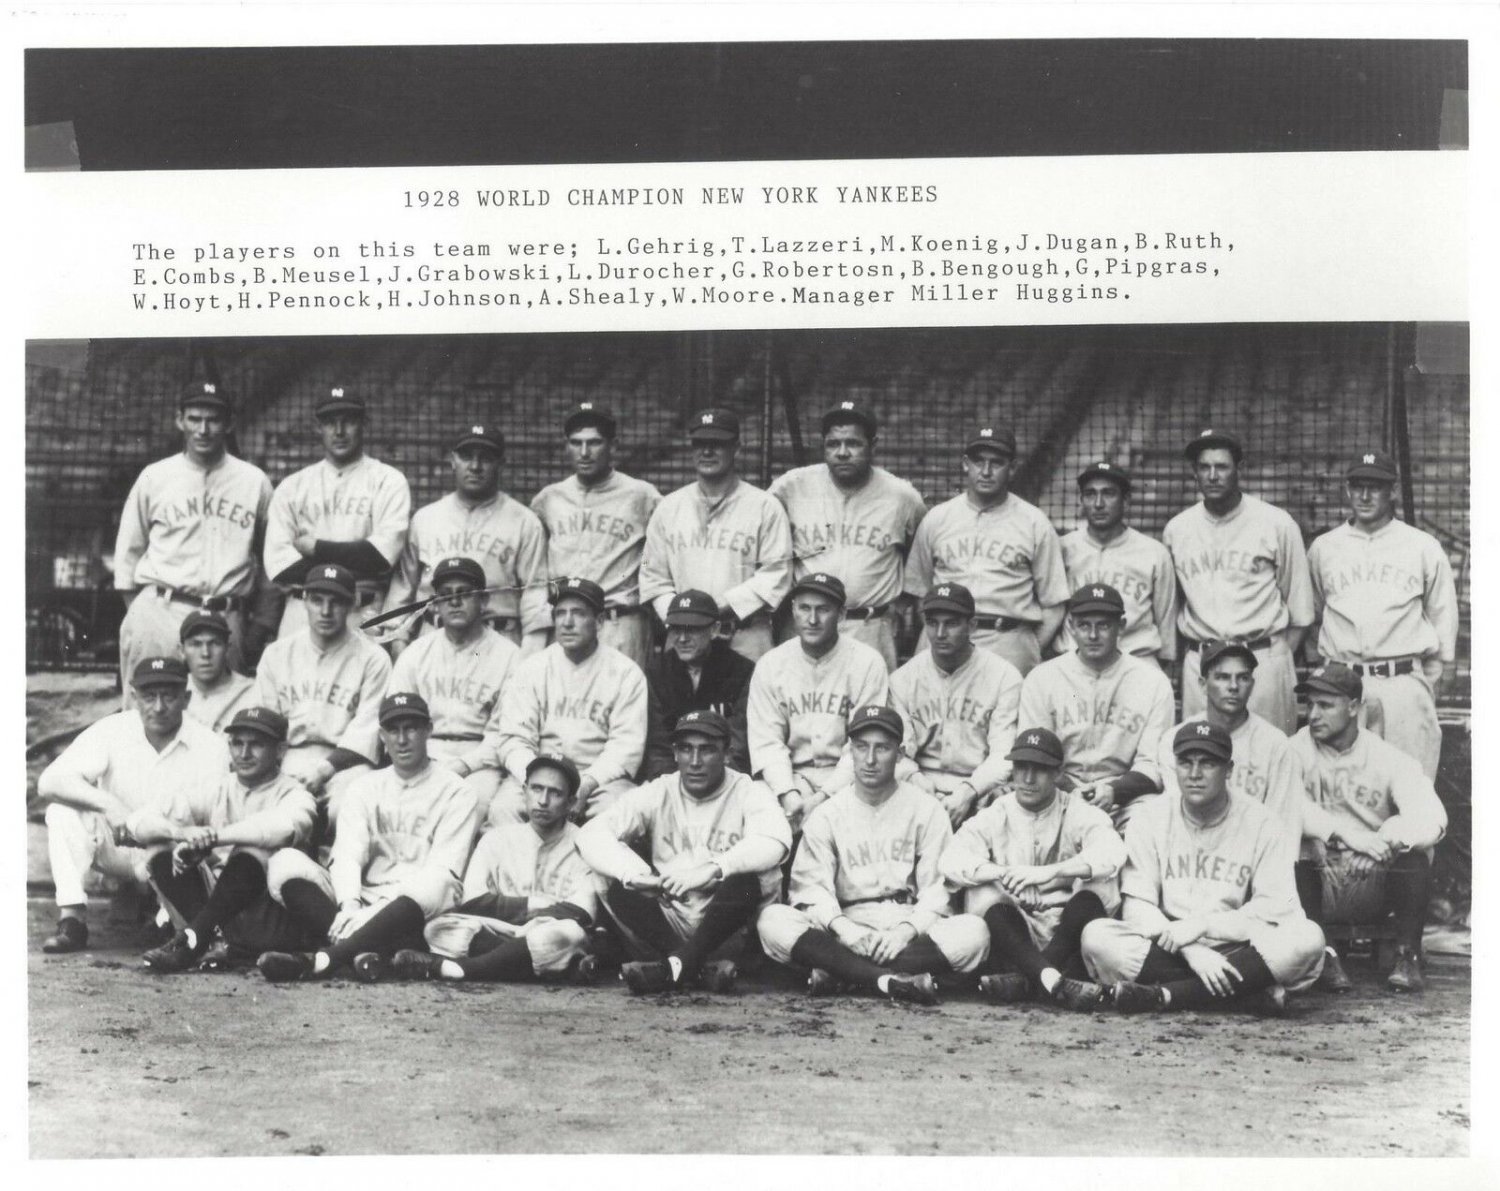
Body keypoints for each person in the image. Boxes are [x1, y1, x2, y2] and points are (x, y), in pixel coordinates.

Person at [1080, 721, 1326, 1014]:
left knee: (1308, 939)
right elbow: (1137, 906)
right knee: (1097, 937)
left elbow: (1272, 910)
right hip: (1171, 948)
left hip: (1239, 949)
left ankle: (1164, 996)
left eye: (1207, 764)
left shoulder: (1263, 823)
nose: (1194, 774)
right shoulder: (1150, 817)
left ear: (1229, 770)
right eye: (1185, 763)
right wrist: (1191, 950)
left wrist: (1205, 926)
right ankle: (1247, 997)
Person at [755, 705, 988, 1006]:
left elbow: (937, 891)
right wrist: (845, 930)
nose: (870, 759)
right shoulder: (827, 814)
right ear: (849, 752)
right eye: (861, 748)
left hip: (906, 929)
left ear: (901, 754)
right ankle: (892, 980)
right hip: (845, 928)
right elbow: (812, 890)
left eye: (882, 748)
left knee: (974, 933)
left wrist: (905, 932)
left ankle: (845, 974)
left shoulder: (927, 809)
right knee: (773, 921)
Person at [254, 693, 480, 982]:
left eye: (411, 728)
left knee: (438, 881)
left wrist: (369, 916)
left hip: (415, 910)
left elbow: (443, 869)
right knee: (284, 862)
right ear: (382, 735)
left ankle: (325, 959)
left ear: (429, 730)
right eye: (393, 730)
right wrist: (350, 906)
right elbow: (348, 854)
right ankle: (363, 955)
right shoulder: (364, 786)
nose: (401, 739)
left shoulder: (457, 791)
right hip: (361, 902)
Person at [578, 710, 792, 994]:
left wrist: (713, 868)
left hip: (726, 924)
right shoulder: (659, 790)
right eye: (686, 749)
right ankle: (692, 965)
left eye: (706, 751)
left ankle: (674, 966)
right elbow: (590, 834)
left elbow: (776, 840)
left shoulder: (747, 790)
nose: (694, 762)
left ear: (726, 754)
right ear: (675, 753)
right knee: (606, 873)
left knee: (752, 876)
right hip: (668, 916)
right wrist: (636, 876)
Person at [35, 657, 230, 954]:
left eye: (169, 696)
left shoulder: (210, 745)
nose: (159, 706)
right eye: (150, 697)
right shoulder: (114, 729)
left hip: (170, 854)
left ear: (186, 698)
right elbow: (49, 782)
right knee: (62, 811)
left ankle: (172, 920)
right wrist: (112, 808)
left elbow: (217, 823)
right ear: (135, 698)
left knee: (179, 919)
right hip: (117, 845)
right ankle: (72, 919)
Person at [1288, 663, 1448, 994]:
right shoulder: (1294, 750)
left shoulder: (1386, 756)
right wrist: (1346, 835)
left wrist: (1391, 837)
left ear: (1353, 707)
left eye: (1325, 705)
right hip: (1318, 876)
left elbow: (1433, 816)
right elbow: (1284, 807)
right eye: (1310, 704)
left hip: (1372, 877)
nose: (1313, 714)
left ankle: (1408, 956)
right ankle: (1325, 954)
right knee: (1295, 847)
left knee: (1416, 854)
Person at [113, 381, 276, 703]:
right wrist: (145, 615)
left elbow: (271, 563)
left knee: (219, 720)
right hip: (162, 610)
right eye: (194, 418)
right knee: (146, 718)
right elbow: (127, 556)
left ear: (229, 423)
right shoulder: (155, 477)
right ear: (180, 420)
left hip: (224, 615)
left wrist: (259, 628)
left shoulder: (253, 481)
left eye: (213, 420)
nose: (203, 429)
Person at [940, 728, 1124, 1011]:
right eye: (1021, 767)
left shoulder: (1077, 810)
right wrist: (1004, 875)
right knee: (982, 889)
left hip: (1067, 927)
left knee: (1101, 882)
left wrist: (1053, 872)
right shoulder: (997, 812)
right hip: (1016, 926)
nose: (1027, 778)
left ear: (1057, 773)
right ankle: (1050, 977)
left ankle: (1031, 978)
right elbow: (951, 859)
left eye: (1039, 769)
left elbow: (1112, 852)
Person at [129, 707, 319, 972]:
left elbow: (278, 829)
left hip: (268, 918)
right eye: (237, 743)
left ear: (279, 750)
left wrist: (211, 840)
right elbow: (139, 821)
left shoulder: (295, 793)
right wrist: (181, 834)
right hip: (222, 914)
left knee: (254, 850)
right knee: (160, 846)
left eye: (256, 745)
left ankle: (195, 941)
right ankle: (208, 941)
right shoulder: (217, 787)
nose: (244, 753)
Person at [1306, 450, 1459, 779]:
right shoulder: (1324, 548)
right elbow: (1315, 614)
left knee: (1409, 787)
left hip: (1400, 683)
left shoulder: (1422, 546)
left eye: (1374, 487)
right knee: (1340, 787)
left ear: (1392, 491)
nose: (1364, 496)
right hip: (1342, 682)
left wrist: (1419, 681)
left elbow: (1442, 620)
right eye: (1357, 486)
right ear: (1347, 489)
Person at [385, 754, 602, 985]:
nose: (543, 800)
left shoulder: (584, 843)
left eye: (555, 793)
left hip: (550, 932)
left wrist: (526, 921)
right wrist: (530, 906)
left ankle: (461, 969)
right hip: (502, 930)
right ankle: (551, 969)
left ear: (570, 802)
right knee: (438, 928)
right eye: (536, 789)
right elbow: (473, 901)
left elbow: (583, 912)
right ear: (524, 791)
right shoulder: (496, 839)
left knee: (565, 934)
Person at [1163, 429, 1315, 735]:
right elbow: (1173, 607)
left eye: (1222, 467)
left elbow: (1300, 612)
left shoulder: (1276, 523)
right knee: (1204, 760)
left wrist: (1275, 658)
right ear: (1195, 473)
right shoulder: (1177, 530)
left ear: (1239, 470)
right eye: (1204, 467)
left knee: (1270, 761)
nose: (1213, 475)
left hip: (1261, 661)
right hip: (1203, 662)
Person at [768, 400, 926, 669]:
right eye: (833, 444)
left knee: (871, 709)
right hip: (807, 627)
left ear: (872, 445)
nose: (842, 453)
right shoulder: (791, 487)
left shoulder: (902, 497)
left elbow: (920, 561)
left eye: (853, 444)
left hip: (870, 626)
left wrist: (896, 611)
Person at [903, 423, 1068, 676]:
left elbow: (1054, 603)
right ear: (965, 464)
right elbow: (920, 592)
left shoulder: (1035, 523)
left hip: (1006, 640)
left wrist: (1030, 646)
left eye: (997, 462)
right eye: (979, 461)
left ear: (1011, 468)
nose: (987, 471)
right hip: (943, 640)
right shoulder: (937, 519)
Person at [640, 407, 792, 661]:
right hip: (683, 638)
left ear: (737, 448)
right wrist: (686, 617)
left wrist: (719, 610)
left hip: (745, 636)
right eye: (700, 443)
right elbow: (651, 574)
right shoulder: (669, 507)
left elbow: (777, 574)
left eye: (717, 444)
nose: (707, 451)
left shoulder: (765, 506)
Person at [492, 577, 648, 824]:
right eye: (560, 613)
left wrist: (585, 785)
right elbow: (514, 739)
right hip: (538, 772)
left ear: (599, 622)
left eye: (578, 614)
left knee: (617, 813)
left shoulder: (626, 673)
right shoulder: (532, 668)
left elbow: (625, 747)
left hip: (597, 780)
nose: (567, 622)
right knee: (504, 808)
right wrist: (539, 782)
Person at [1017, 584, 1175, 827]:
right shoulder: (1042, 678)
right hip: (1056, 791)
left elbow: (1152, 765)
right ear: (1070, 626)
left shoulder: (1152, 681)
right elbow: (1035, 754)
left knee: (1157, 819)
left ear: (1120, 627)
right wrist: (1071, 791)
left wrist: (1113, 790)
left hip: (1126, 799)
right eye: (1084, 625)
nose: (1092, 635)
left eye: (1103, 625)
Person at [387, 422, 548, 656]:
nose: (475, 466)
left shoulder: (524, 522)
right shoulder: (426, 518)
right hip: (434, 638)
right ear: (453, 460)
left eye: (486, 458)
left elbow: (535, 598)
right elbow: (403, 591)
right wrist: (399, 642)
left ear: (500, 464)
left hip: (498, 640)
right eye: (466, 457)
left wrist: (529, 659)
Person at [263, 386, 411, 638]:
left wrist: (316, 548)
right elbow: (279, 567)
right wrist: (354, 555)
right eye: (331, 423)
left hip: (360, 611)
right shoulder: (292, 486)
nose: (339, 431)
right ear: (317, 427)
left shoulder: (389, 481)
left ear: (364, 424)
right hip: (301, 612)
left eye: (349, 421)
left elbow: (380, 558)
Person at [745, 572, 888, 829]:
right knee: (758, 812)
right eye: (804, 609)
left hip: (852, 778)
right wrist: (788, 794)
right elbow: (766, 743)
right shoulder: (771, 664)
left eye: (823, 610)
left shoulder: (867, 662)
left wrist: (825, 797)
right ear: (793, 611)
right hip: (791, 777)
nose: (812, 619)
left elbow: (864, 744)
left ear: (841, 615)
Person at [254, 563, 389, 828]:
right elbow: (265, 725)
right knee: (278, 816)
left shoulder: (373, 658)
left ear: (352, 604)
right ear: (304, 600)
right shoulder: (277, 654)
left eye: (336, 602)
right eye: (317, 600)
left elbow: (368, 731)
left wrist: (325, 769)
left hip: (348, 764)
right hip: (289, 756)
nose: (325, 611)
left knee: (347, 810)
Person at [386, 556, 520, 819]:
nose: (455, 602)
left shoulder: (509, 656)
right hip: (422, 755)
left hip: (479, 762)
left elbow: (506, 734)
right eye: (445, 595)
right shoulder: (416, 653)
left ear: (483, 600)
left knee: (468, 808)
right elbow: (398, 721)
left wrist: (464, 765)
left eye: (464, 594)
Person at [531, 402, 663, 668]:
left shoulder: (642, 495)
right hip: (566, 622)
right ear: (566, 446)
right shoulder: (549, 499)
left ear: (613, 445)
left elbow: (664, 555)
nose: (584, 452)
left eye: (594, 443)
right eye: (576, 443)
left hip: (619, 622)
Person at [885, 582, 1022, 827]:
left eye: (951, 623)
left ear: (972, 625)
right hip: (918, 786)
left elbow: (1004, 754)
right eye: (932, 623)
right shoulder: (903, 679)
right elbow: (898, 753)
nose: (940, 633)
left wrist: (969, 791)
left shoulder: (1004, 677)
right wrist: (916, 781)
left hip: (981, 790)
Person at [1154, 639, 1306, 851]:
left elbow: (1283, 825)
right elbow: (1180, 821)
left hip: (1257, 857)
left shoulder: (1275, 744)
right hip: (1195, 858)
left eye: (1242, 678)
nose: (1233, 687)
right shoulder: (1175, 740)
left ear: (1252, 684)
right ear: (1203, 684)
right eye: (1222, 677)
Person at [1057, 461, 1176, 667]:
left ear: (1126, 500)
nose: (1098, 503)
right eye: (1090, 494)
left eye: (1109, 493)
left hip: (1136, 662)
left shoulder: (1154, 553)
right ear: (1082, 500)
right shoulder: (1062, 549)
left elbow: (1166, 628)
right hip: (1074, 664)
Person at [641, 589, 754, 780]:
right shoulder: (657, 672)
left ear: (715, 629)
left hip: (725, 780)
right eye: (676, 629)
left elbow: (738, 747)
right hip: (671, 781)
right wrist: (675, 788)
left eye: (692, 629)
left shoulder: (742, 671)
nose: (682, 638)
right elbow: (657, 748)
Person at [178, 611, 257, 733]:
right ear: (182, 651)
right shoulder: (173, 691)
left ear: (227, 648)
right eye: (196, 644)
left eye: (214, 643)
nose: (205, 653)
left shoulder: (252, 691)